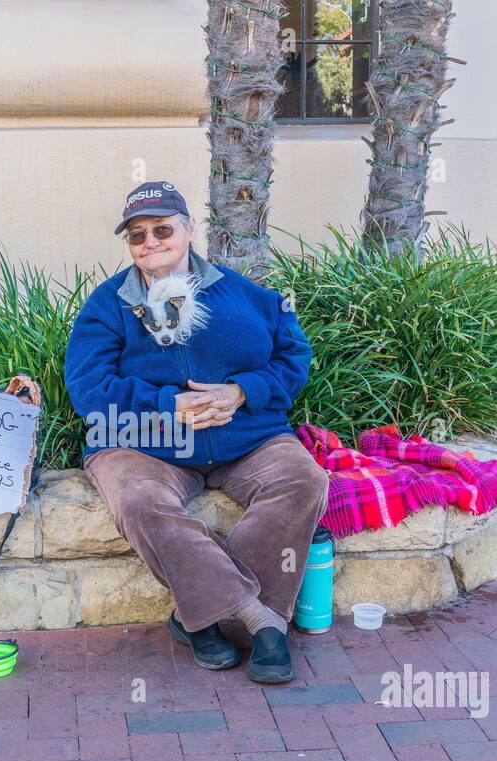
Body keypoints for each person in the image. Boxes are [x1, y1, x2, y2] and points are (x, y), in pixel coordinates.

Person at [64, 181, 329, 683]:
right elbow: (88, 387)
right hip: (140, 440)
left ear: (188, 230)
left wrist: (242, 392)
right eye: (137, 235)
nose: (150, 243)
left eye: (162, 229)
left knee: (303, 481)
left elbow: (294, 359)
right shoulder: (107, 305)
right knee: (141, 502)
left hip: (246, 436)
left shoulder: (249, 295)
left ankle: (196, 616)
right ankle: (262, 620)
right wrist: (167, 404)